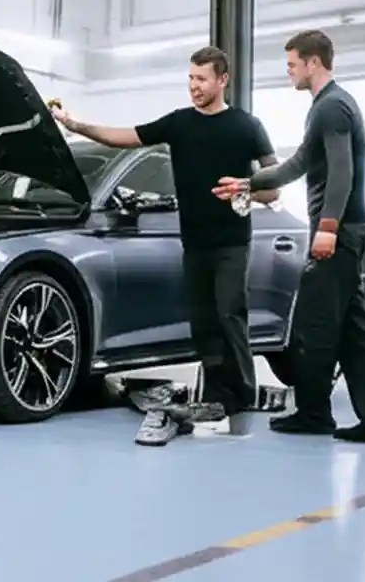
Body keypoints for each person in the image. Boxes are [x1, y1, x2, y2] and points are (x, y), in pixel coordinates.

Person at [51, 46, 279, 442]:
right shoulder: (179, 124)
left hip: (231, 243)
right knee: (204, 321)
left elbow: (272, 188)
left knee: (230, 315)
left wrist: (246, 190)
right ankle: (216, 396)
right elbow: (124, 137)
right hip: (194, 242)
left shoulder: (247, 126)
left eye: (202, 79)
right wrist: (75, 124)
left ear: (222, 80)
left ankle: (242, 396)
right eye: (190, 79)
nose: (194, 86)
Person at [211, 30, 365, 445]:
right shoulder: (326, 107)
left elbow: (342, 172)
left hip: (339, 232)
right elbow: (297, 164)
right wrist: (247, 183)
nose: (290, 72)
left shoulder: (333, 108)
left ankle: (314, 414)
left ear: (314, 62)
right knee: (356, 335)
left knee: (312, 326)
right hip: (347, 231)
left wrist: (328, 228)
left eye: (293, 64)